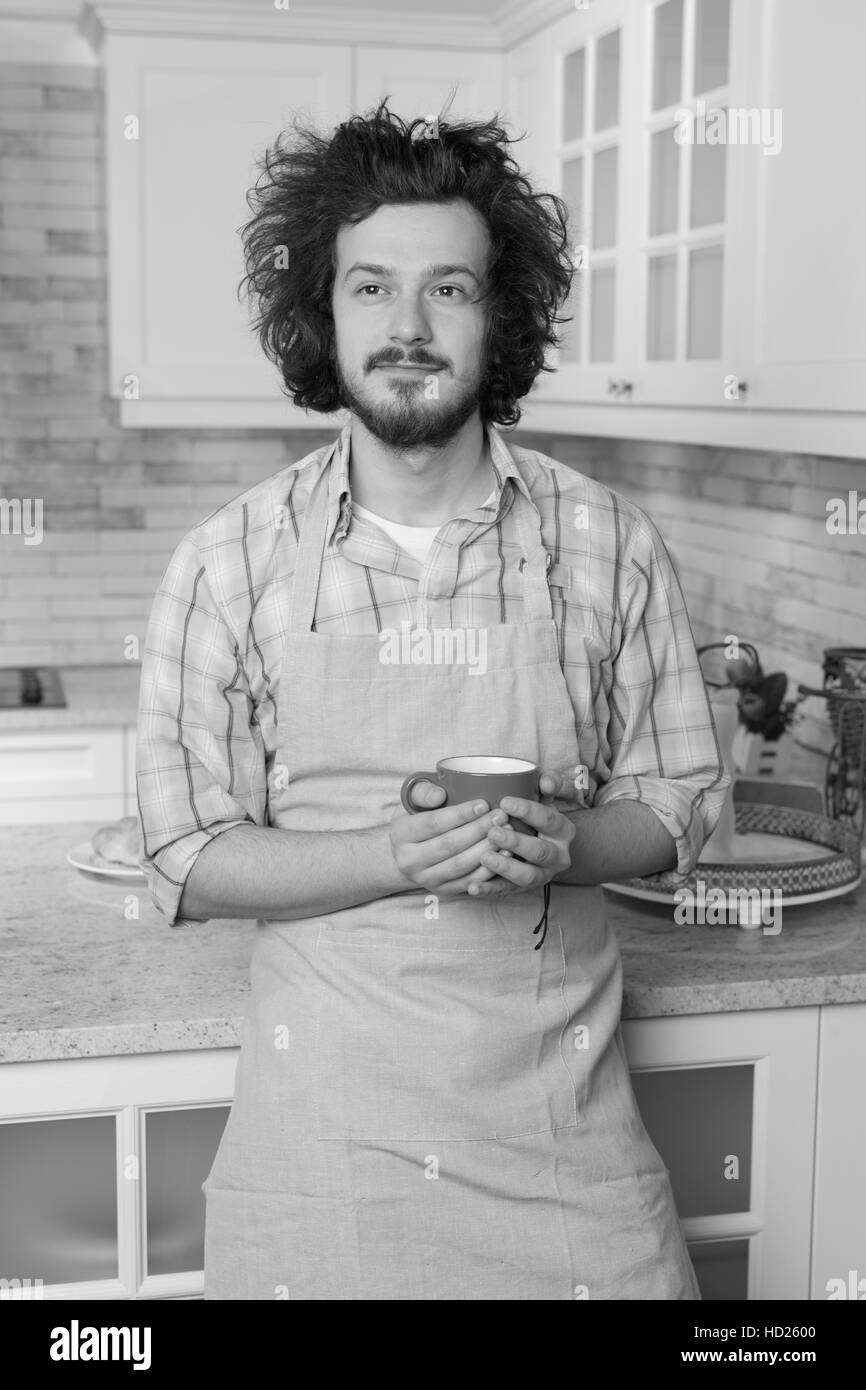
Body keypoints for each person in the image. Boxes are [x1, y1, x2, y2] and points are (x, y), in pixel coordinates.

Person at [137, 101, 729, 1301]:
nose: (406, 326)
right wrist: (397, 856)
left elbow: (679, 802)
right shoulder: (229, 561)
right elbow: (183, 853)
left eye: (448, 288)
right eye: (369, 287)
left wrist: (567, 843)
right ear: (324, 311)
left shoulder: (606, 542)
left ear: (497, 314)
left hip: (566, 1164)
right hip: (320, 1163)